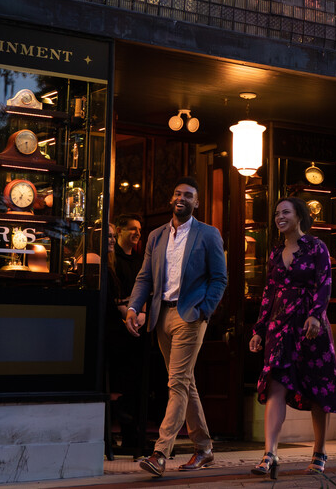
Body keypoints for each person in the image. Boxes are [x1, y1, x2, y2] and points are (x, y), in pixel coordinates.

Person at [124, 178, 227, 476]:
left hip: (189, 316)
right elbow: (144, 278)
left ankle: (160, 453)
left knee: (177, 382)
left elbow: (219, 278)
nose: (183, 198)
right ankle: (204, 447)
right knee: (184, 382)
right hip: (160, 316)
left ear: (197, 203)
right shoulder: (156, 237)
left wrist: (203, 311)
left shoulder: (208, 234)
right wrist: (134, 307)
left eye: (189, 195)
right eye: (178, 193)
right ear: (172, 199)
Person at [248, 197, 336, 479]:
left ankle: (320, 452)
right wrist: (259, 329)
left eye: (285, 212)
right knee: (275, 383)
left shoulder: (316, 247)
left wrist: (315, 314)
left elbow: (325, 282)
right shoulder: (275, 252)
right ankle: (269, 453)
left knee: (317, 388)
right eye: (277, 213)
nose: (280, 217)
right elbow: (268, 292)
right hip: (279, 323)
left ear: (299, 216)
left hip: (309, 324)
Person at [107, 214, 147, 454]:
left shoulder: (142, 260)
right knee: (117, 383)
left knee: (136, 384)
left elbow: (147, 289)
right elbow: (115, 297)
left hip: (139, 326)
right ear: (120, 231)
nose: (137, 234)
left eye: (139, 230)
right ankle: (111, 435)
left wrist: (142, 314)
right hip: (118, 328)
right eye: (132, 229)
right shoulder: (112, 260)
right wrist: (129, 315)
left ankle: (133, 437)